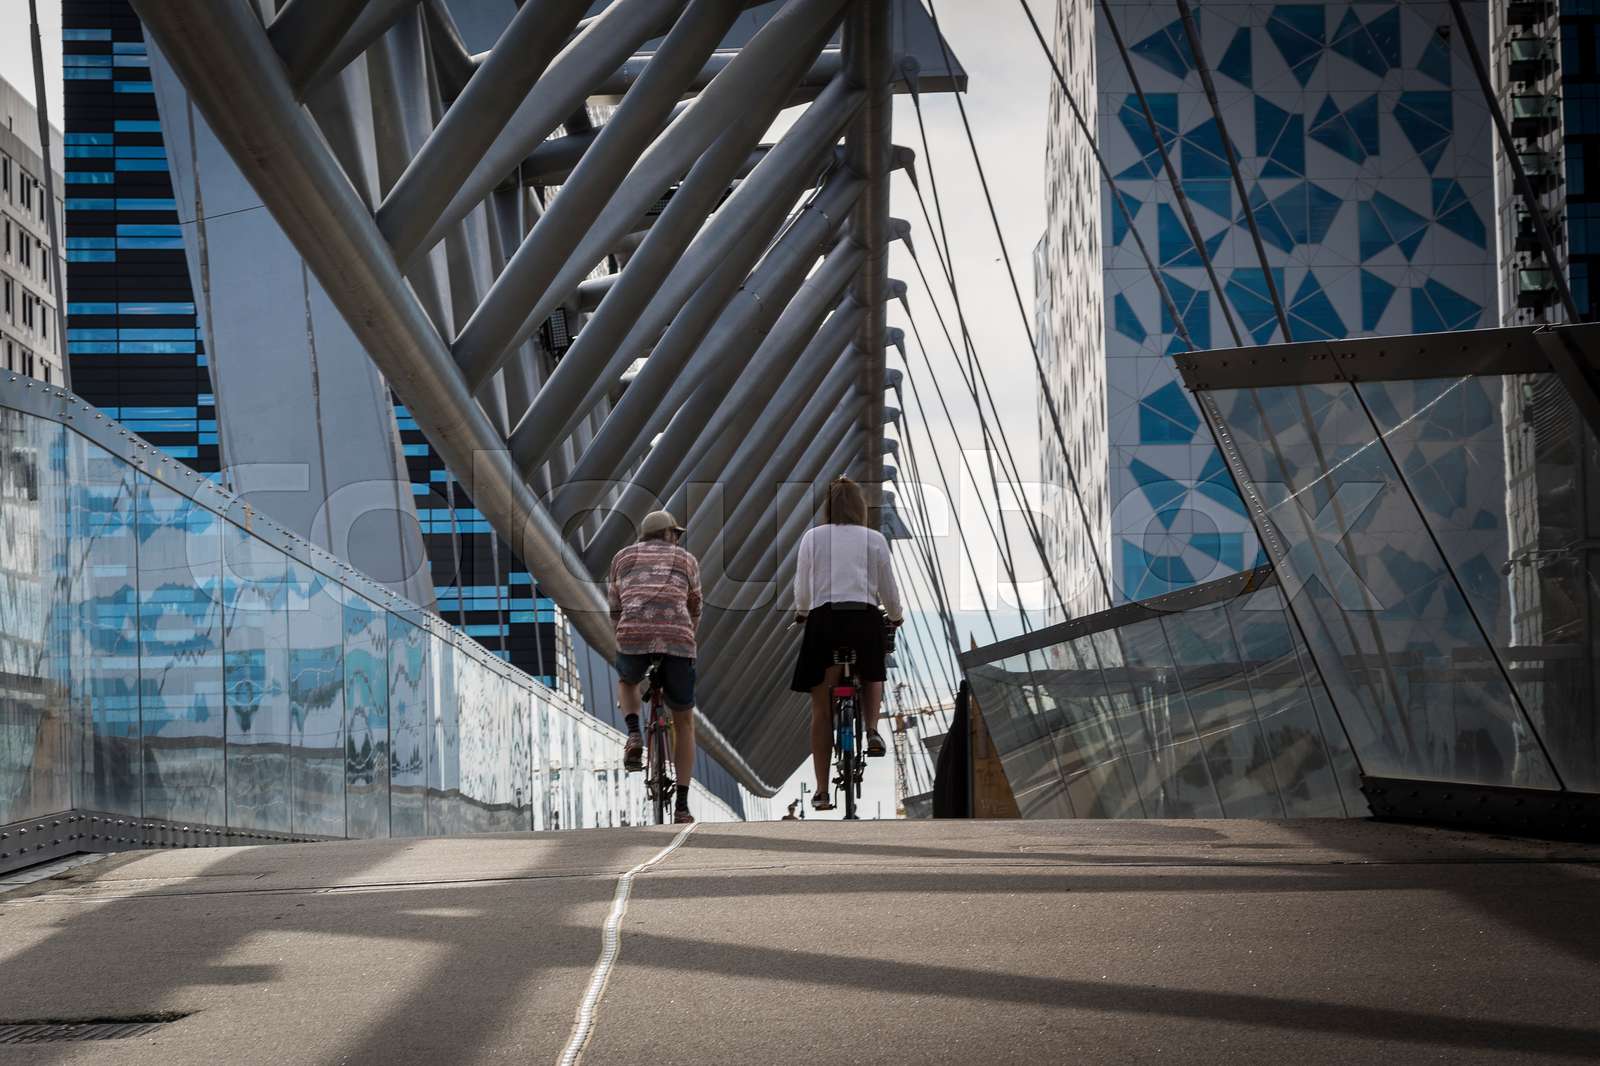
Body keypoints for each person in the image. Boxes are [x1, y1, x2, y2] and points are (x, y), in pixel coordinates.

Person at [790, 476, 902, 812]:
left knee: (821, 706)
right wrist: (894, 616)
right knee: (873, 671)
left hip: (825, 620)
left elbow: (803, 587)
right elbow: (887, 586)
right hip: (864, 618)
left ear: (828, 507)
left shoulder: (813, 538)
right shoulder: (874, 539)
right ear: (859, 507)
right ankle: (871, 730)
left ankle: (823, 791)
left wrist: (802, 612)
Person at [610, 509, 702, 824]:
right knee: (685, 723)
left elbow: (615, 607)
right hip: (677, 637)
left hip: (632, 632)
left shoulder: (622, 557)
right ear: (666, 534)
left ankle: (634, 733)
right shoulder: (686, 559)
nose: (676, 540)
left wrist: (623, 641)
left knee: (627, 679)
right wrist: (688, 638)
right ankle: (682, 805)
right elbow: (695, 606)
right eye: (674, 534)